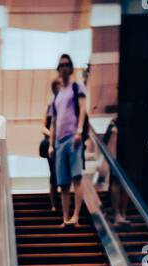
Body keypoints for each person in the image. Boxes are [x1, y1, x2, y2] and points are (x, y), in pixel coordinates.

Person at [48, 54, 89, 228]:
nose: (64, 68)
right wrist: (51, 145)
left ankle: (76, 216)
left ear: (71, 68)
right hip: (59, 142)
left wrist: (79, 131)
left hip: (73, 138)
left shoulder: (76, 87)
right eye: (61, 65)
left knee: (76, 177)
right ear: (58, 69)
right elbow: (53, 122)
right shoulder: (56, 96)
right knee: (63, 183)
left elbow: (82, 109)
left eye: (67, 64)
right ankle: (65, 217)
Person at [41, 78, 62, 212]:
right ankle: (54, 205)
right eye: (55, 88)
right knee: (53, 174)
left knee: (63, 175)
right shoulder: (50, 106)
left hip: (62, 142)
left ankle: (62, 204)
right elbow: (43, 127)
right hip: (52, 145)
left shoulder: (67, 105)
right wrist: (52, 135)